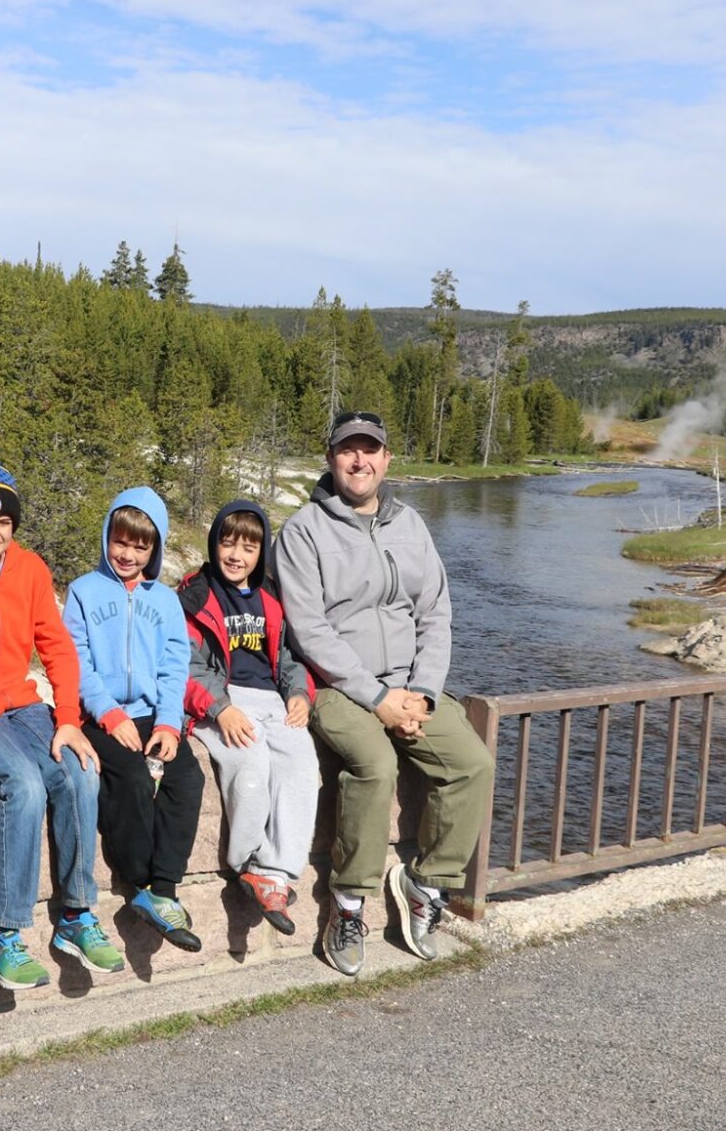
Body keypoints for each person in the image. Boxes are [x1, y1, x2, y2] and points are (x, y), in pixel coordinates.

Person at [276, 410, 495, 976]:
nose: (359, 460)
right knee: (375, 765)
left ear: (386, 459)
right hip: (337, 686)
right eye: (348, 449)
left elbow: (436, 613)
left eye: (370, 450)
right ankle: (348, 905)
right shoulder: (303, 530)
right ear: (330, 458)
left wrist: (422, 692)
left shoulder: (411, 525)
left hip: (410, 685)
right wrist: (378, 698)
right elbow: (309, 629)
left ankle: (426, 883)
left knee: (471, 762)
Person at [0, 454, 126, 987]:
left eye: (3, 522)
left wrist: (68, 719)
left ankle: (76, 916)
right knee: (23, 783)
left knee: (81, 771)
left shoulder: (31, 568)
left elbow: (59, 651)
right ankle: (2, 935)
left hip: (25, 706)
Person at [63, 487, 203, 952]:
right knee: (132, 778)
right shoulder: (83, 591)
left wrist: (168, 722)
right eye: (120, 542)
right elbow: (76, 660)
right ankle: (138, 881)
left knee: (187, 778)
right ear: (107, 537)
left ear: (154, 549)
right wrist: (107, 712)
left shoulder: (164, 600)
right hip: (100, 715)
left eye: (140, 546)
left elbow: (173, 665)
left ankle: (164, 888)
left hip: (151, 713)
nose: (127, 554)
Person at [178, 499, 319, 935]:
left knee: (300, 762)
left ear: (262, 553)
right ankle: (246, 861)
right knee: (251, 761)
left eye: (249, 548)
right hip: (220, 699)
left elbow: (292, 654)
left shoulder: (273, 596)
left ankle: (276, 873)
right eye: (228, 543)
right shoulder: (194, 595)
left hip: (271, 697)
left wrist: (300, 693)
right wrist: (220, 708)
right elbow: (184, 664)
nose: (237, 556)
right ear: (214, 542)